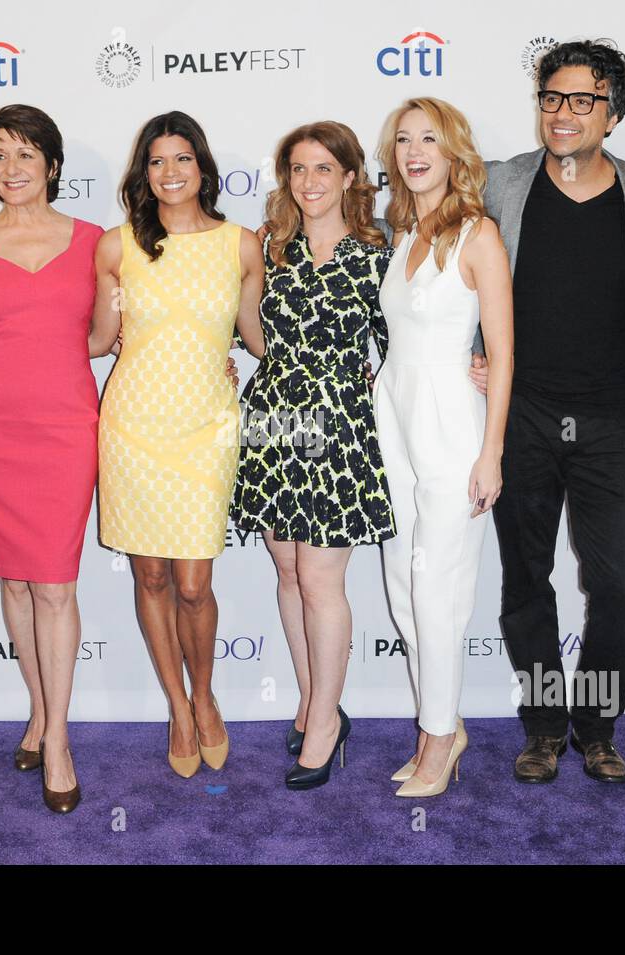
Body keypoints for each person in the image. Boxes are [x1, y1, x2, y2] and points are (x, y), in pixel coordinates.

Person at [477, 40, 625, 785]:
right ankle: (542, 728)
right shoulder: (502, 184)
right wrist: (469, 350)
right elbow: (462, 275)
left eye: (583, 100)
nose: (563, 114)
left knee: (619, 587)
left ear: (615, 113)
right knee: (526, 579)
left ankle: (596, 726)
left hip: (608, 423)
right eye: (552, 98)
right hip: (524, 416)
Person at [89, 111, 266, 778]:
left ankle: (208, 693)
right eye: (157, 161)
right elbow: (99, 341)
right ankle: (177, 705)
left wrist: (342, 363)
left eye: (182, 159)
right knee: (153, 575)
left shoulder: (241, 245)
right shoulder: (116, 247)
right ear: (144, 172)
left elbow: (256, 338)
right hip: (132, 426)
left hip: (206, 429)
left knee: (194, 583)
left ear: (203, 167)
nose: (170, 172)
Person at [0, 105, 103, 813]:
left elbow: (105, 337)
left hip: (66, 428)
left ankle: (58, 739)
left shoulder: (98, 242)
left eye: (26, 154)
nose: (11, 168)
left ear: (54, 166)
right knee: (13, 581)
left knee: (55, 585)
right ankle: (39, 711)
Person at [231, 121, 394, 790]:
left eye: (324, 168)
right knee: (289, 570)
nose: (309, 182)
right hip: (274, 416)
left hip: (338, 423)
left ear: (350, 177)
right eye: (298, 169)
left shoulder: (377, 254)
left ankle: (324, 723)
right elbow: (253, 333)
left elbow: (402, 340)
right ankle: (311, 698)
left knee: (322, 578)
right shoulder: (273, 249)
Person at [375, 97, 514, 798]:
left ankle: (437, 742)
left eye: (428, 138)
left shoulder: (478, 235)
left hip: (452, 427)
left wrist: (491, 451)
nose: (413, 150)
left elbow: (504, 351)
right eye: (403, 140)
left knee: (439, 592)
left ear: (455, 151)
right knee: (402, 586)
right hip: (392, 419)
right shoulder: (403, 232)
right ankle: (445, 722)